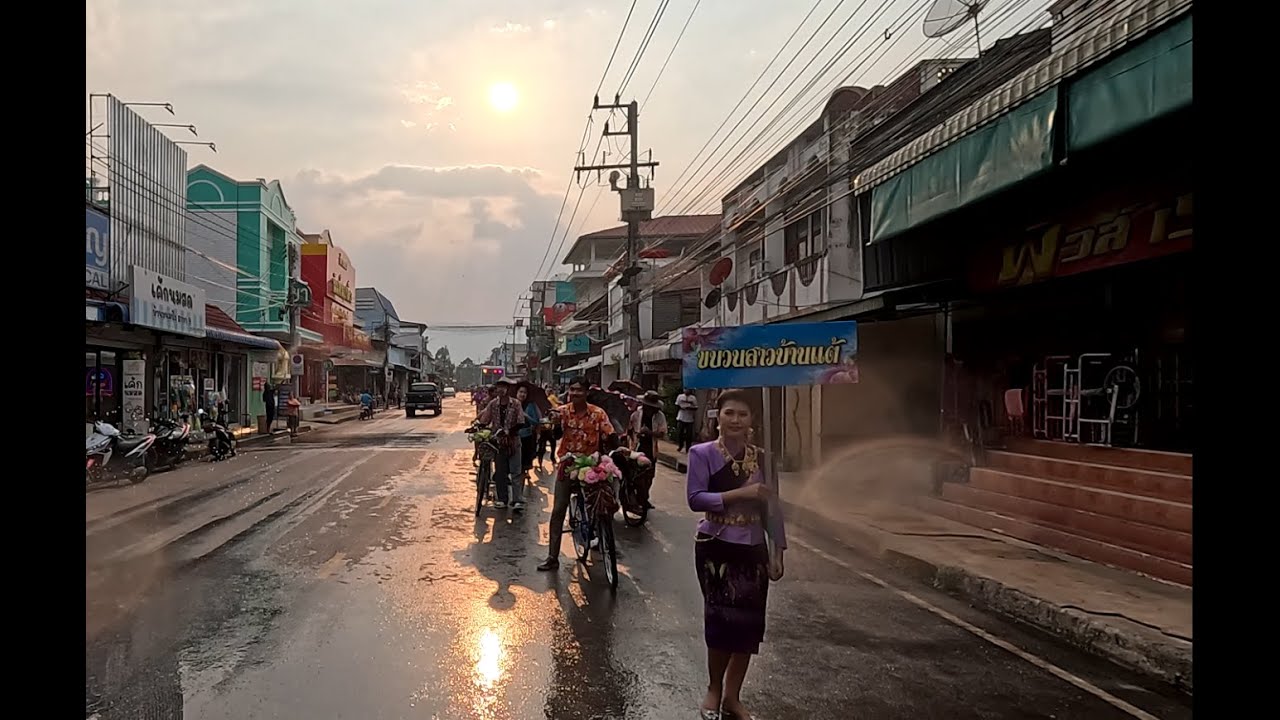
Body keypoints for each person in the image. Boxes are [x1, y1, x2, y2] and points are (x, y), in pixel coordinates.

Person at [686, 390, 786, 720]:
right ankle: (714, 690)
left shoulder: (765, 458)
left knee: (748, 626)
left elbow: (773, 509)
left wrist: (778, 551)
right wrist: (742, 493)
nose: (736, 420)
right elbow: (696, 499)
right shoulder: (702, 454)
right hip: (715, 545)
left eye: (743, 414)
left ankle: (733, 697)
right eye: (729, 413)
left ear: (752, 420)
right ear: (718, 416)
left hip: (754, 547)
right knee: (720, 622)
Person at [537, 376, 617, 572]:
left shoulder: (598, 414)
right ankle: (552, 557)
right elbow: (555, 436)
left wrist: (618, 451)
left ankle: (602, 535)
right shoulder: (562, 412)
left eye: (579, 390)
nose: (575, 393)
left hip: (592, 465)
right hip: (568, 465)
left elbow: (610, 435)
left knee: (604, 503)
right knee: (558, 511)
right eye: (572, 390)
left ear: (586, 392)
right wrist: (556, 424)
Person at [478, 378, 528, 511]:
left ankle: (517, 500)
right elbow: (485, 419)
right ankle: (502, 499)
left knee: (516, 472)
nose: (500, 390)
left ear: (508, 389)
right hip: (498, 443)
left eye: (503, 387)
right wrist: (479, 426)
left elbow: (521, 421)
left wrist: (509, 431)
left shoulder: (516, 404)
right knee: (500, 472)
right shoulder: (493, 404)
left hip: (514, 442)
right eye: (498, 387)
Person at [629, 391, 667, 509]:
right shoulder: (636, 414)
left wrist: (649, 433)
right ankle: (634, 498)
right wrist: (635, 435)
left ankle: (644, 498)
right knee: (635, 476)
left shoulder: (660, 416)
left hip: (651, 449)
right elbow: (629, 429)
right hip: (636, 448)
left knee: (649, 476)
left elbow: (662, 433)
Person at [516, 384, 541, 483]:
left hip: (526, 438)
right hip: (513, 437)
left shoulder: (531, 406)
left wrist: (526, 415)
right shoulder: (512, 404)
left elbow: (536, 422)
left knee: (523, 465)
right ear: (516, 393)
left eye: (524, 392)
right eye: (520, 392)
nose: (522, 394)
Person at [675, 388, 698, 452]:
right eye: (685, 389)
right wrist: (682, 407)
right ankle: (680, 445)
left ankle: (688, 447)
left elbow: (696, 407)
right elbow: (677, 405)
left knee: (689, 435)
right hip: (681, 417)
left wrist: (689, 408)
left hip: (689, 418)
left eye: (688, 390)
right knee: (680, 433)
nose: (686, 391)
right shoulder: (680, 396)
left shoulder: (693, 398)